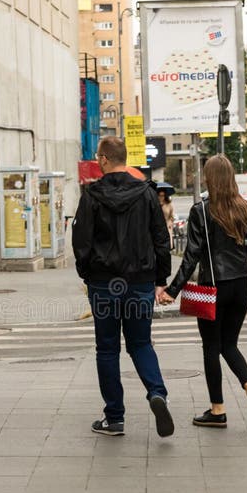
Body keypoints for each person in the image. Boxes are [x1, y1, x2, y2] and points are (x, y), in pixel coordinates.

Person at [72, 136, 174, 438]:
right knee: (141, 344)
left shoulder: (91, 195)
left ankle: (114, 418)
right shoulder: (146, 194)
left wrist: (86, 275)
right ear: (125, 158)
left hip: (104, 284)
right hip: (140, 282)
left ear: (104, 159)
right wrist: (160, 280)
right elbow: (161, 239)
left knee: (107, 349)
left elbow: (82, 242)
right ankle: (157, 394)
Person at [162, 154, 247, 429]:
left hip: (213, 287)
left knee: (212, 347)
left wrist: (172, 290)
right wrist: (236, 251)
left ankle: (217, 410)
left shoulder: (201, 210)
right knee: (230, 343)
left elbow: (191, 256)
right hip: (241, 283)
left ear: (210, 178)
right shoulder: (243, 206)